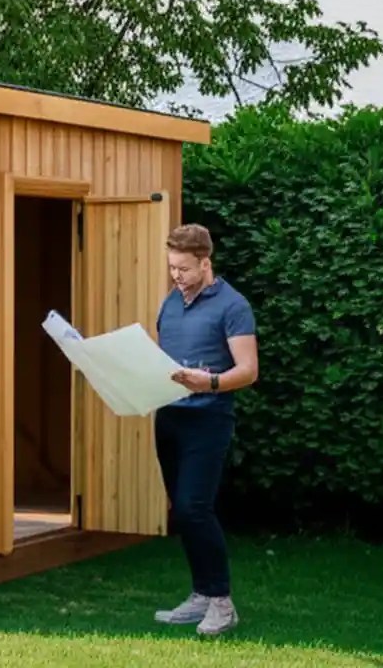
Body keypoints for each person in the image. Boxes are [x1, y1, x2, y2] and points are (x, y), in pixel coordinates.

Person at [152, 223, 259, 636]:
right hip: (171, 416)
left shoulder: (233, 306)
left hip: (208, 418)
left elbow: (248, 371)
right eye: (172, 268)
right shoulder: (170, 303)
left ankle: (222, 602)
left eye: (184, 269)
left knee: (196, 506)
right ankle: (200, 594)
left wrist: (210, 382)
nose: (176, 276)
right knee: (182, 511)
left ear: (205, 262)